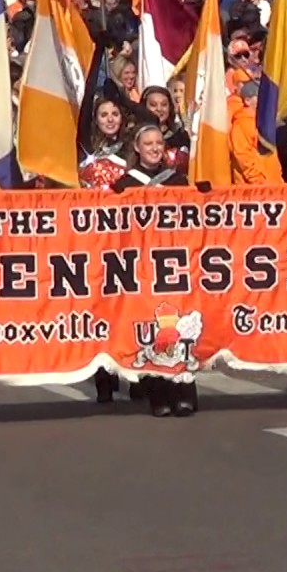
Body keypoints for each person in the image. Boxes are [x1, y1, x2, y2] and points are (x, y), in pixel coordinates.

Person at [111, 124, 193, 417]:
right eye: (149, 143)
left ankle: (183, 388)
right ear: (137, 147)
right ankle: (156, 392)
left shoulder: (179, 181)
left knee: (179, 327)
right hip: (143, 267)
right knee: (148, 328)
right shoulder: (124, 186)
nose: (155, 148)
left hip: (174, 265)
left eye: (159, 142)